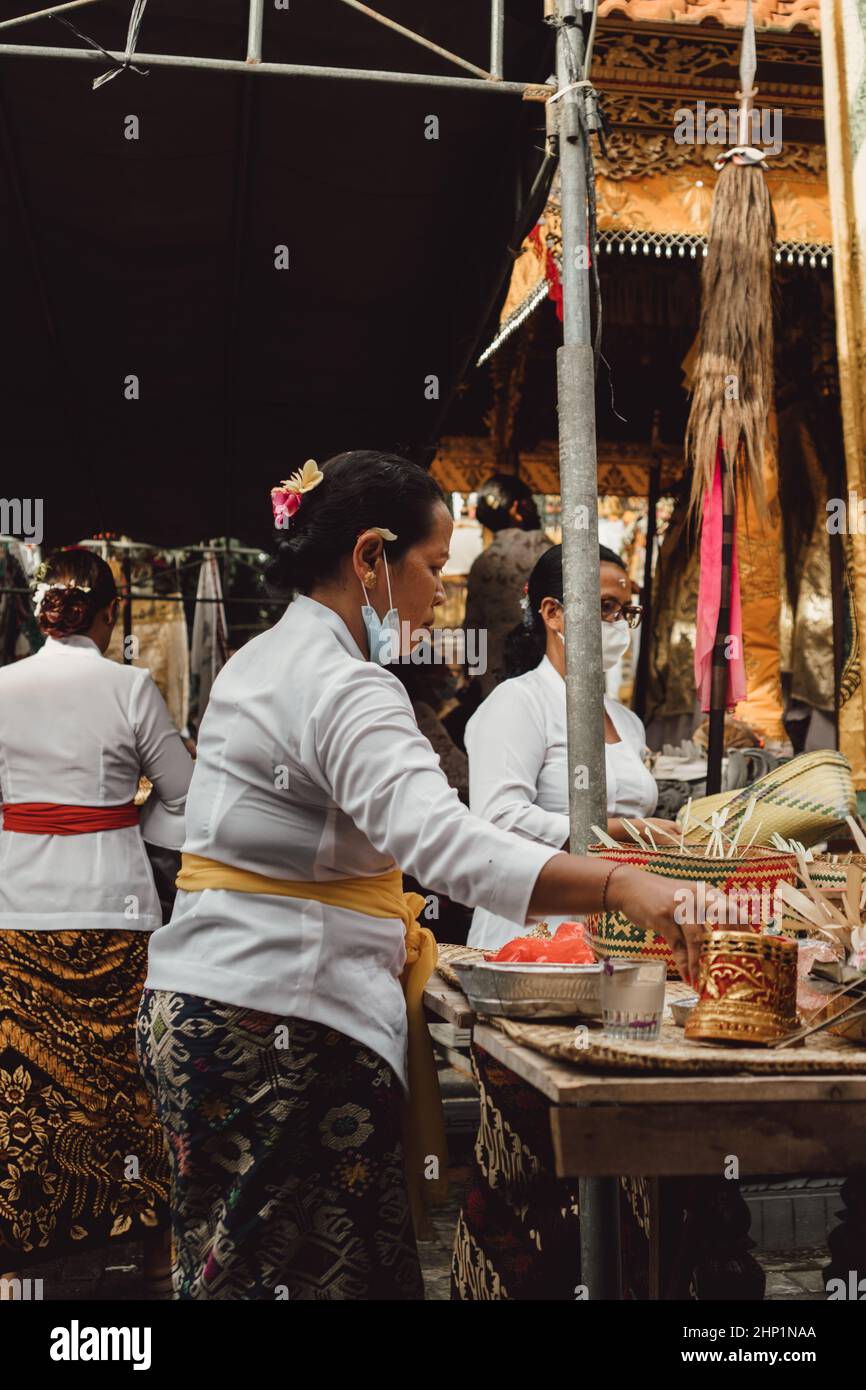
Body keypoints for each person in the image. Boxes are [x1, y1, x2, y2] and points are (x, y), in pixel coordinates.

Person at [137, 450, 710, 1302]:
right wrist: (620, 884)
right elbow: (448, 847)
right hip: (278, 1022)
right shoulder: (345, 686)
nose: (438, 595)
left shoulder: (262, 659)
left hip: (213, 1009)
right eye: (433, 568)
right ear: (371, 556)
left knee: (257, 1273)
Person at [0, 548, 193, 1296]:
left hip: (17, 908)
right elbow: (186, 794)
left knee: (21, 1091)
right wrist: (129, 818)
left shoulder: (3, 686)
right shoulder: (132, 687)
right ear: (108, 615)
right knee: (128, 1086)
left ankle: (17, 1262)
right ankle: (151, 1253)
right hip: (115, 908)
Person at [466, 543, 679, 950]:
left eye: (626, 612)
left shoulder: (628, 723)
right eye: (605, 607)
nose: (617, 623)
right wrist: (630, 831)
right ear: (552, 613)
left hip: (618, 931)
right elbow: (499, 818)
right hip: (532, 929)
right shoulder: (518, 703)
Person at [462, 473, 552, 700]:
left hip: (494, 680)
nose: (536, 508)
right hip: (542, 673)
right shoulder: (544, 550)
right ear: (517, 508)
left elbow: (473, 628)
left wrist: (472, 676)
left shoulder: (482, 563)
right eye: (530, 501)